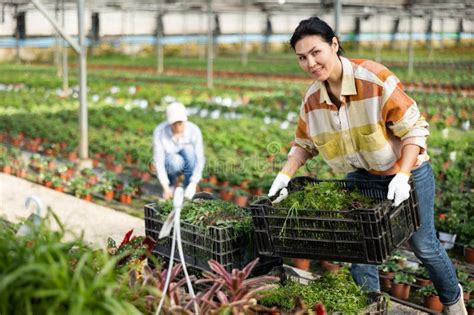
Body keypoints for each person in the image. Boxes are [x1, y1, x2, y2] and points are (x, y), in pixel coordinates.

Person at [268, 16, 466, 314]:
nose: (310, 63)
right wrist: (285, 174)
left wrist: (402, 173)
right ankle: (371, 307)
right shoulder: (312, 99)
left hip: (409, 174)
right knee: (361, 248)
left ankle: (453, 303)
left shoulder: (373, 79)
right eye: (302, 57)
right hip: (362, 177)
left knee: (423, 245)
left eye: (316, 52)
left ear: (334, 45)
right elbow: (303, 145)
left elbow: (414, 130)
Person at [153, 102, 205, 200]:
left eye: (180, 123)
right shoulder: (160, 131)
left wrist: (193, 183)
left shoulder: (194, 130)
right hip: (171, 165)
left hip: (190, 164)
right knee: (174, 160)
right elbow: (158, 161)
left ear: (185, 120)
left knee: (189, 150)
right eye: (174, 123)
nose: (177, 126)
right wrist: (166, 187)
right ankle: (172, 184)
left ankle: (187, 188)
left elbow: (200, 159)